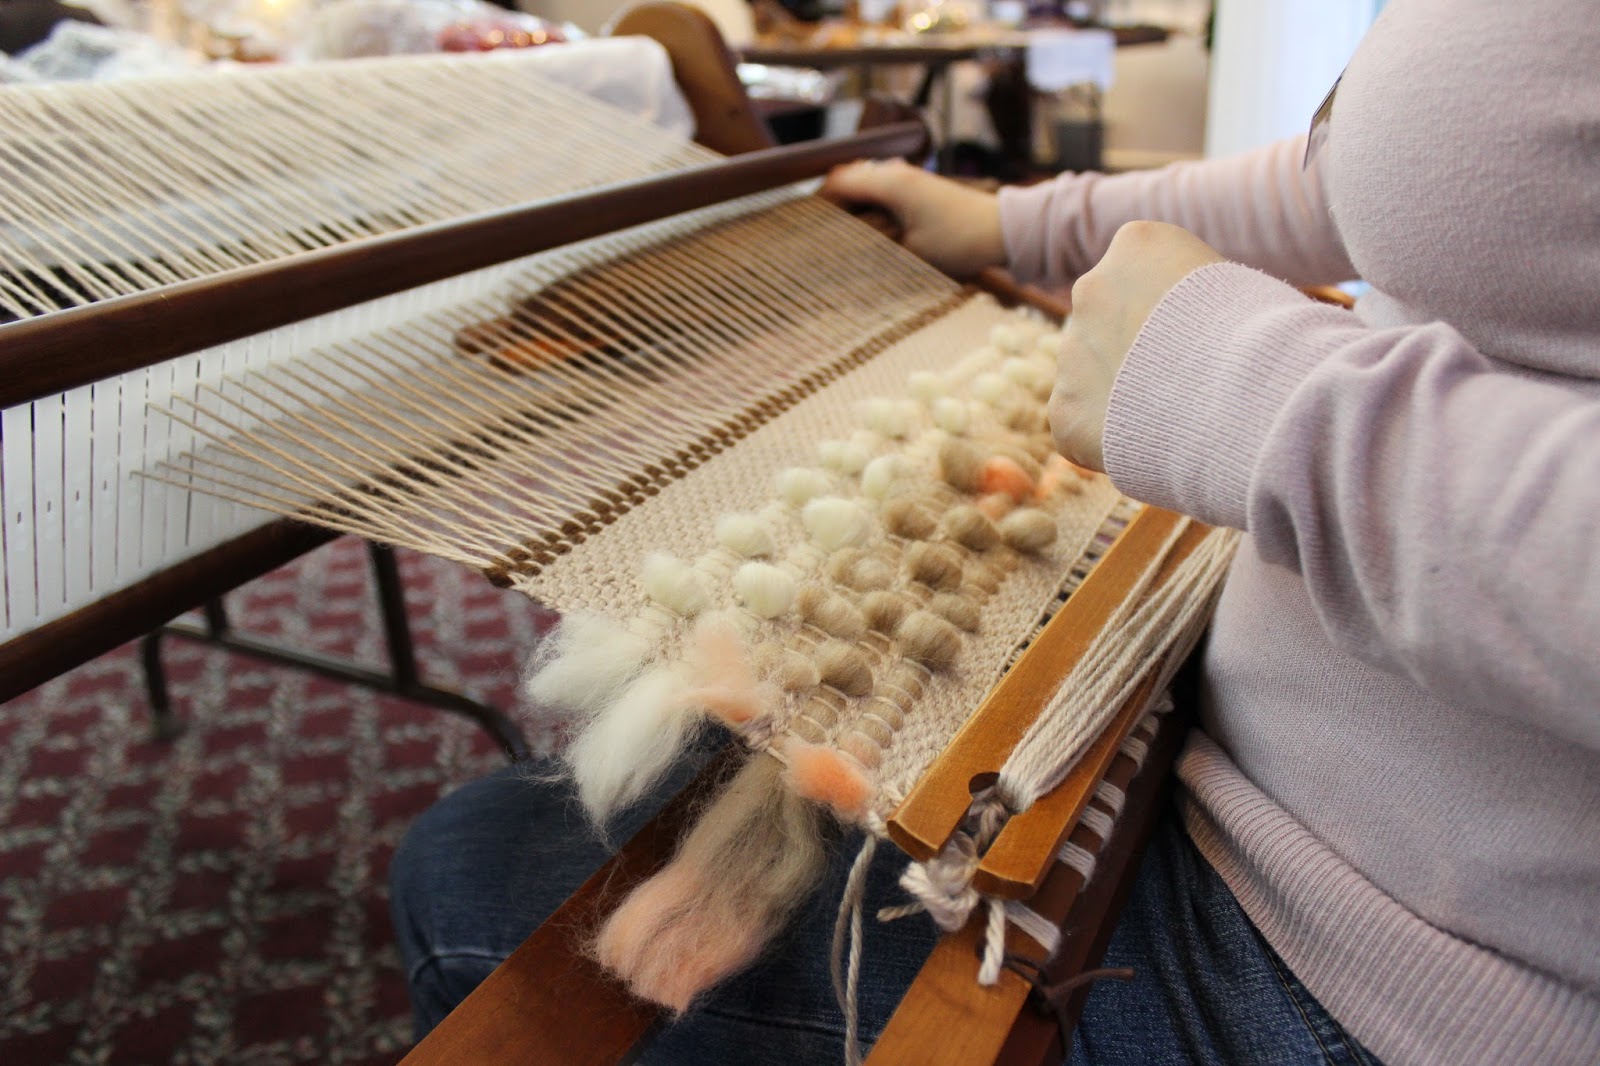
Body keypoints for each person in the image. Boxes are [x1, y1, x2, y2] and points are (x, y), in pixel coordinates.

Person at [390, 2, 1599, 1061]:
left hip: (1391, 981)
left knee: (464, 868)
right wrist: (1013, 225)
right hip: (1310, 812)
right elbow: (1389, 182)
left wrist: (1237, 385)